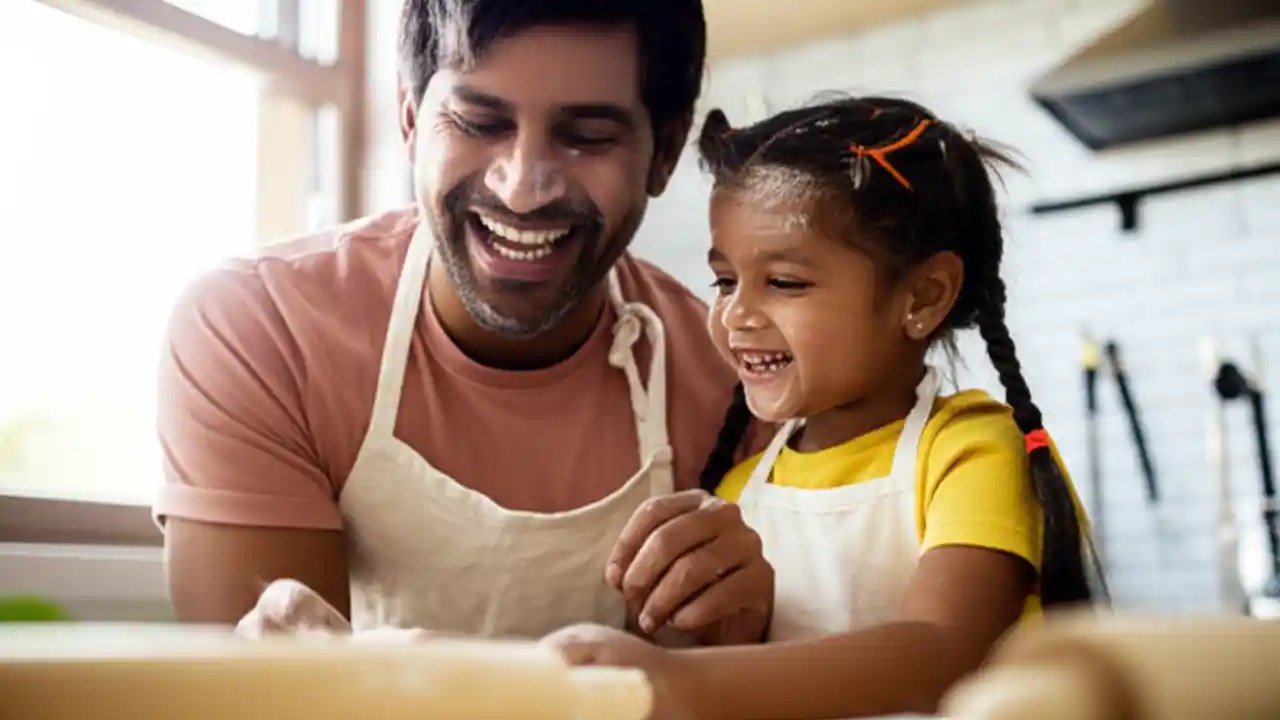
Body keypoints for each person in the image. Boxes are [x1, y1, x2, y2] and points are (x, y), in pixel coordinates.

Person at [155, 0, 773, 646]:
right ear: (410, 119)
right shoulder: (261, 331)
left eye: (588, 136)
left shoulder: (741, 380)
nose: (522, 188)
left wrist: (751, 628)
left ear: (665, 153)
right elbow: (270, 701)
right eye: (478, 122)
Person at [543, 95, 1100, 718]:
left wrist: (684, 680)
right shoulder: (741, 488)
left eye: (784, 282)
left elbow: (941, 654)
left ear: (923, 295)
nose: (735, 314)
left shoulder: (971, 450)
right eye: (725, 280)